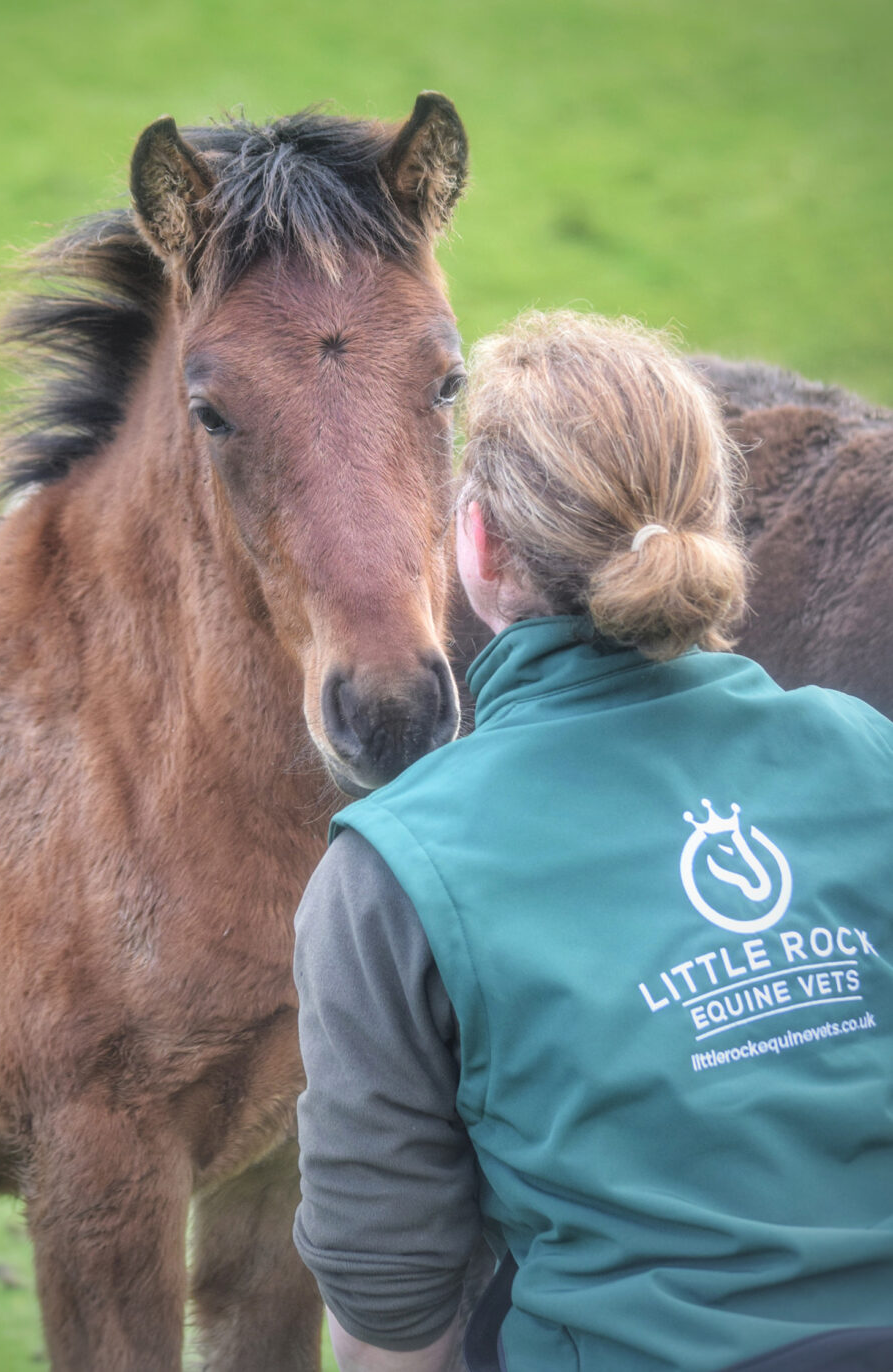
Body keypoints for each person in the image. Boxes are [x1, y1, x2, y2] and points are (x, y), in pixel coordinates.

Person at [292, 311, 893, 1372]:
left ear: (478, 544)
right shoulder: (865, 752)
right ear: (711, 524)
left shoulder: (395, 870)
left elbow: (391, 1312)